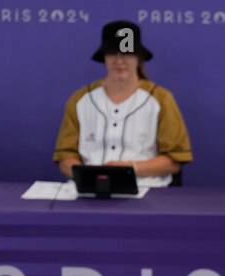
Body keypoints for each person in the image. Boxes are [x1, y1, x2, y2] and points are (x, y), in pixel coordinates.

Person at [53, 20, 192, 189]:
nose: (119, 60)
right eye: (113, 53)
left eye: (127, 52)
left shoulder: (161, 99)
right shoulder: (80, 99)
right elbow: (65, 156)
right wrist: (86, 174)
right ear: (104, 57)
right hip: (89, 191)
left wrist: (131, 168)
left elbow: (175, 160)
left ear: (138, 57)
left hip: (147, 190)